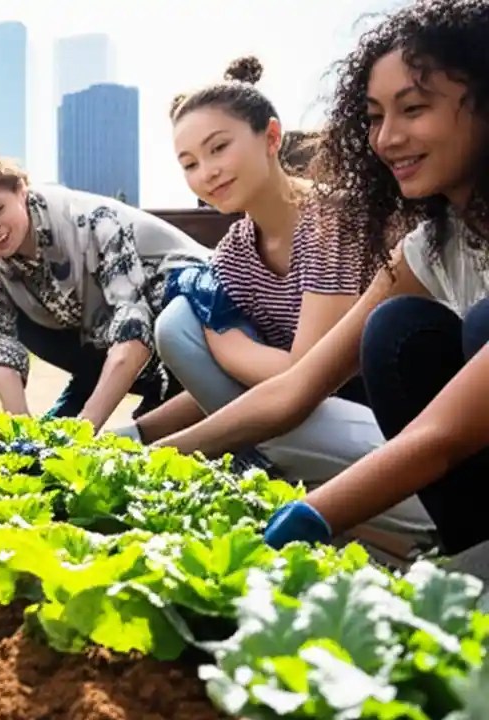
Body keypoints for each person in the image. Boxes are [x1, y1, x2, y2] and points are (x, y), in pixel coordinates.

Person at [155, 0, 489, 562]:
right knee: (394, 328)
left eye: (413, 108)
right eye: (375, 117)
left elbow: (444, 435)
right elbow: (296, 386)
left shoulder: (327, 218)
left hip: (426, 437)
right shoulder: (432, 246)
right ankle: (472, 549)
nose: (387, 139)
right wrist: (149, 454)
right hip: (429, 446)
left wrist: (313, 515)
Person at [117, 56, 437, 565]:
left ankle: (407, 537)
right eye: (190, 163)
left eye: (219, 147)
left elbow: (303, 375)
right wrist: (128, 437)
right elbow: (220, 392)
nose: (208, 172)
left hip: (406, 432)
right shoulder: (234, 253)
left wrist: (226, 341)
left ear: (270, 138)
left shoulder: (334, 218)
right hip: (311, 424)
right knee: (179, 324)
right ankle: (329, 522)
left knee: (192, 331)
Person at [0, 153, 212, 431]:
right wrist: (20, 431)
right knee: (24, 322)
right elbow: (2, 346)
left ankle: (170, 393)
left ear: (20, 190)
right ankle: (92, 393)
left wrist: (85, 428)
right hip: (102, 327)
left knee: (158, 319)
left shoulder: (91, 221)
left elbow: (133, 331)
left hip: (195, 307)